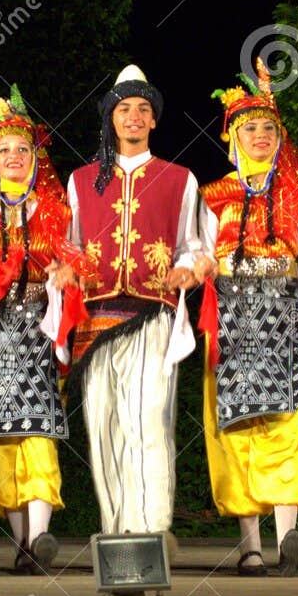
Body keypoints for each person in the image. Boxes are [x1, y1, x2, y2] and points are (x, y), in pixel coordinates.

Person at [64, 65, 202, 545]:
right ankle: (117, 530)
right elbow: (71, 244)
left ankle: (151, 527)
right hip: (96, 316)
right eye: (125, 109)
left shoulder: (179, 178)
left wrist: (190, 268)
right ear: (111, 119)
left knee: (148, 419)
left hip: (152, 311)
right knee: (102, 427)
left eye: (144, 110)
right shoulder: (81, 180)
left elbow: (194, 244)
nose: (134, 117)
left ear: (155, 121)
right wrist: (64, 269)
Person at [0, 87, 92, 574]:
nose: (14, 157)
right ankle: (24, 546)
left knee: (37, 433)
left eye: (22, 150)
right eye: (4, 150)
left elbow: (78, 259)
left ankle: (39, 537)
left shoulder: (58, 214)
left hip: (36, 331)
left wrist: (66, 272)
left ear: (36, 157)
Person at [194, 61, 298, 577]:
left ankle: (287, 538)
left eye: (269, 127)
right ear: (233, 136)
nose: (261, 135)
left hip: (285, 313)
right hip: (230, 320)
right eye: (250, 128)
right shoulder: (212, 195)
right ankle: (250, 546)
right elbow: (199, 250)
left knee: (288, 422)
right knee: (236, 427)